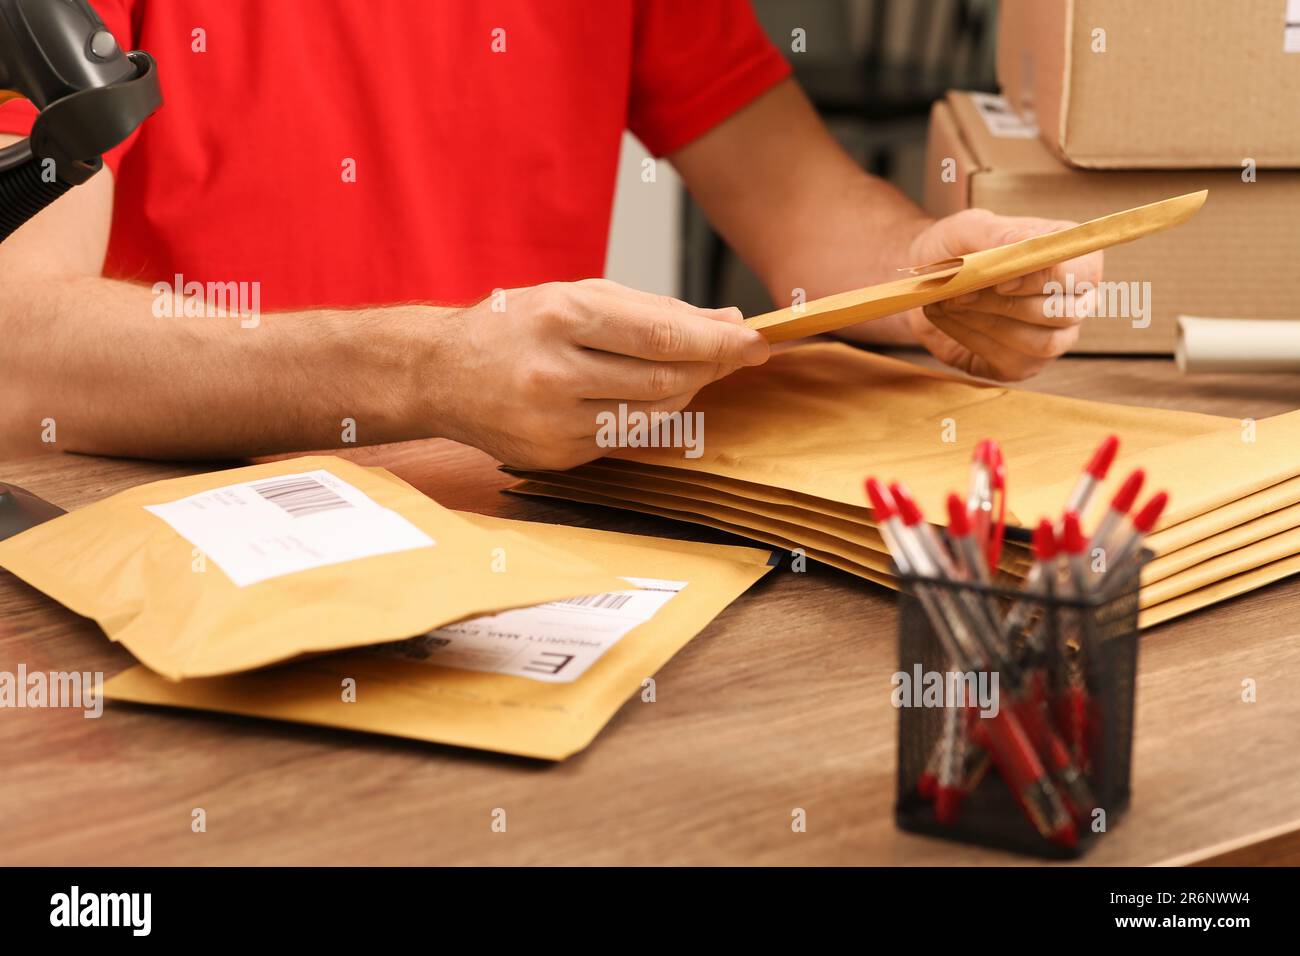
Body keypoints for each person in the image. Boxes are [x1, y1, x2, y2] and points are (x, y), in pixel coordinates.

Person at [0, 0, 1100, 468]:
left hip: (518, 545)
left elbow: (803, 205)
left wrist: (932, 275)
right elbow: (19, 344)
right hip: (175, 547)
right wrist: (419, 370)